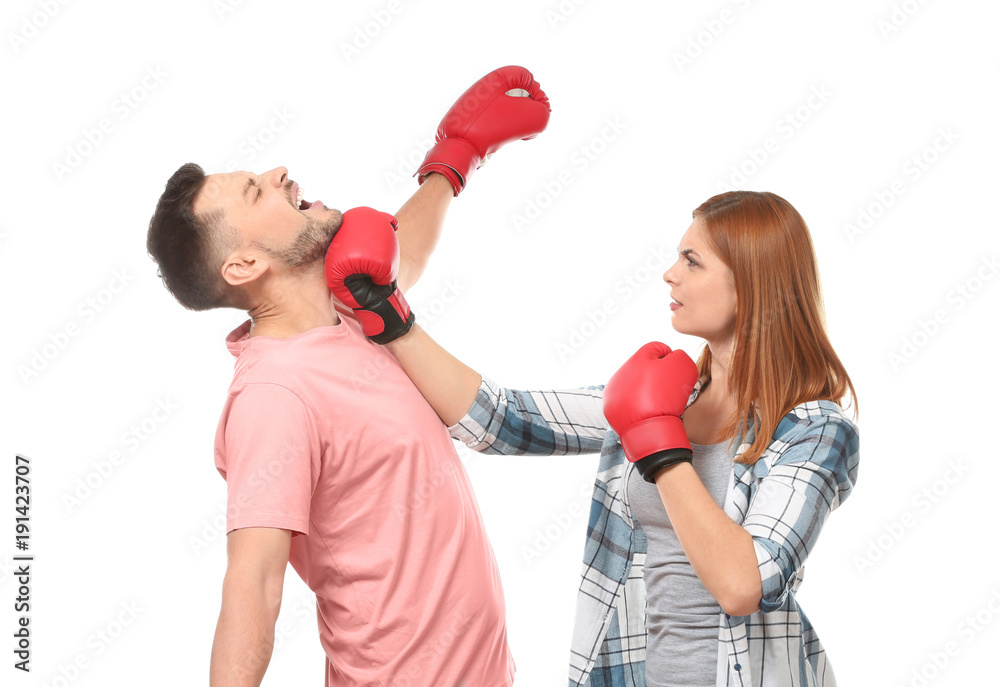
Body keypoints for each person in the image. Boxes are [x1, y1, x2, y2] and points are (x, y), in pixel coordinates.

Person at [327, 191, 860, 686]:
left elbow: (744, 585)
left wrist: (660, 448)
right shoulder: (669, 396)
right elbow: (505, 421)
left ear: (752, 285)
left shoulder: (814, 429)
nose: (670, 275)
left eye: (692, 262)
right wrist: (390, 317)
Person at [144, 65, 551, 686]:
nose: (279, 171)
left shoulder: (355, 309)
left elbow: (404, 247)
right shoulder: (273, 395)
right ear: (245, 263)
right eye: (256, 191)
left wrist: (456, 157)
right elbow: (253, 586)